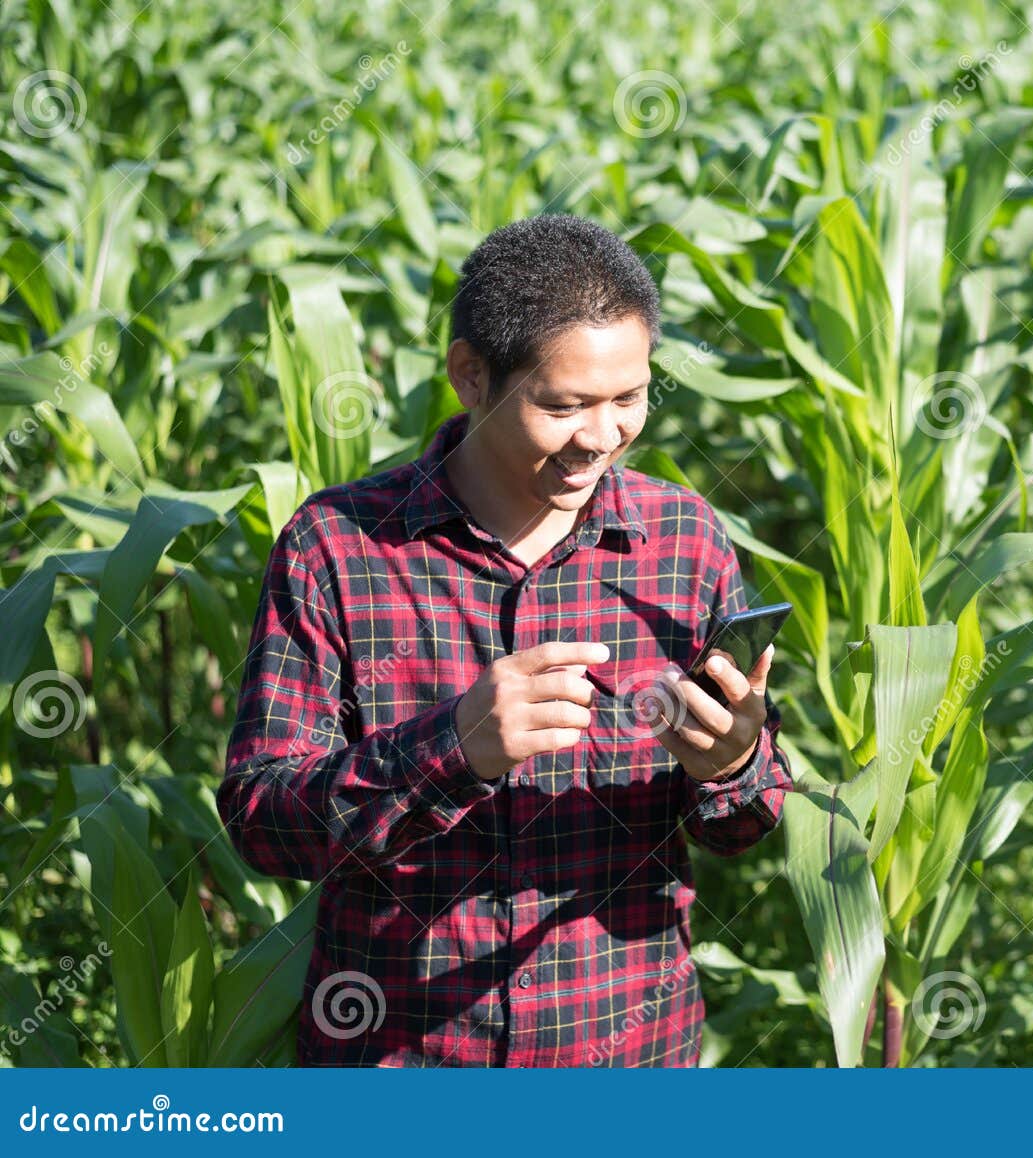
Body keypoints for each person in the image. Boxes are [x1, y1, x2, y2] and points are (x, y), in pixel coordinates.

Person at [217, 214, 793, 1067]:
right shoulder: (338, 547)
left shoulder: (684, 539)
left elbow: (746, 822)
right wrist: (451, 750)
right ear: (470, 376)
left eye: (628, 398)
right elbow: (263, 821)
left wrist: (733, 768)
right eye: (563, 406)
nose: (601, 438)